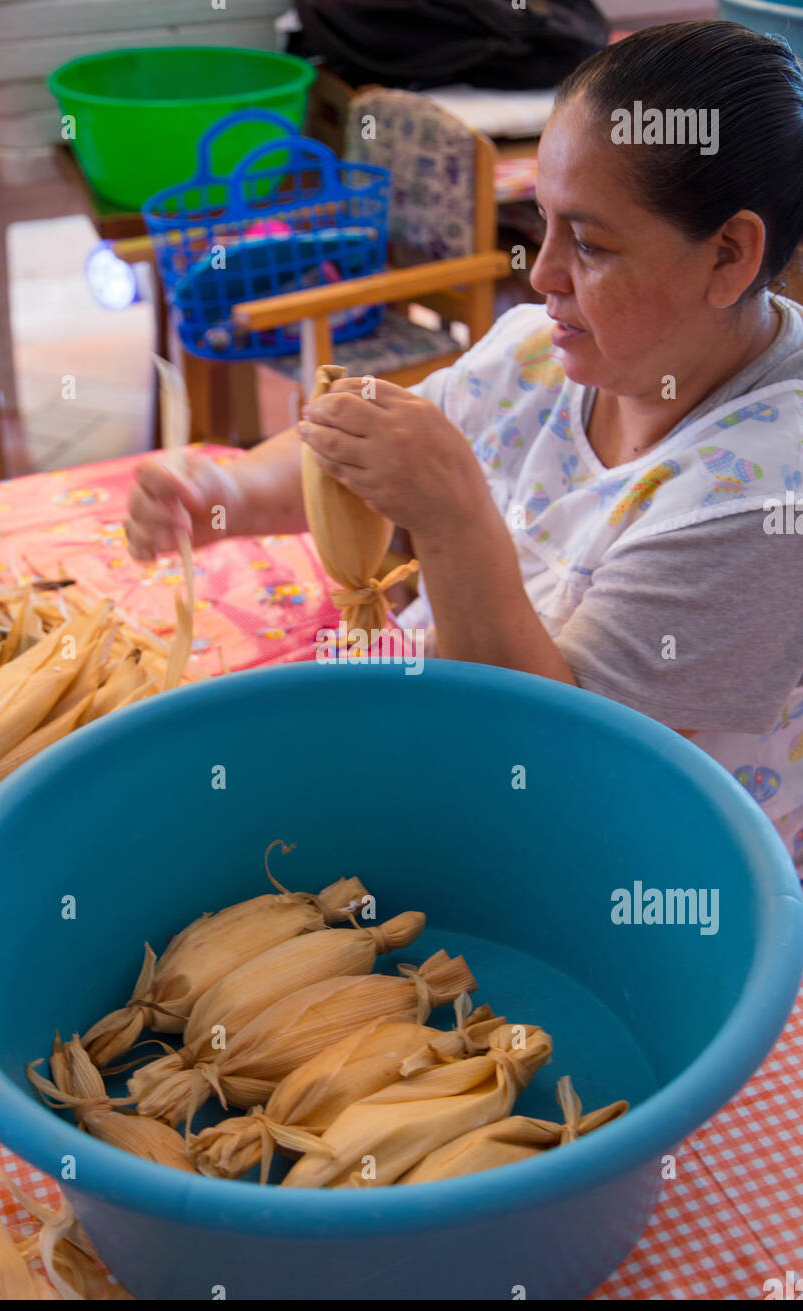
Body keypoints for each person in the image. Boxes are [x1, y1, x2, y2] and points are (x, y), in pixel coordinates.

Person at [125, 21, 803, 872]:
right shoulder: (549, 350)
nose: (543, 273)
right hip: (460, 736)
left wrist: (454, 524)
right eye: (546, 225)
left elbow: (561, 776)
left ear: (730, 256)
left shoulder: (765, 501)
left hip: (616, 860)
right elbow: (364, 460)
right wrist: (222, 494)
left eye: (590, 244)